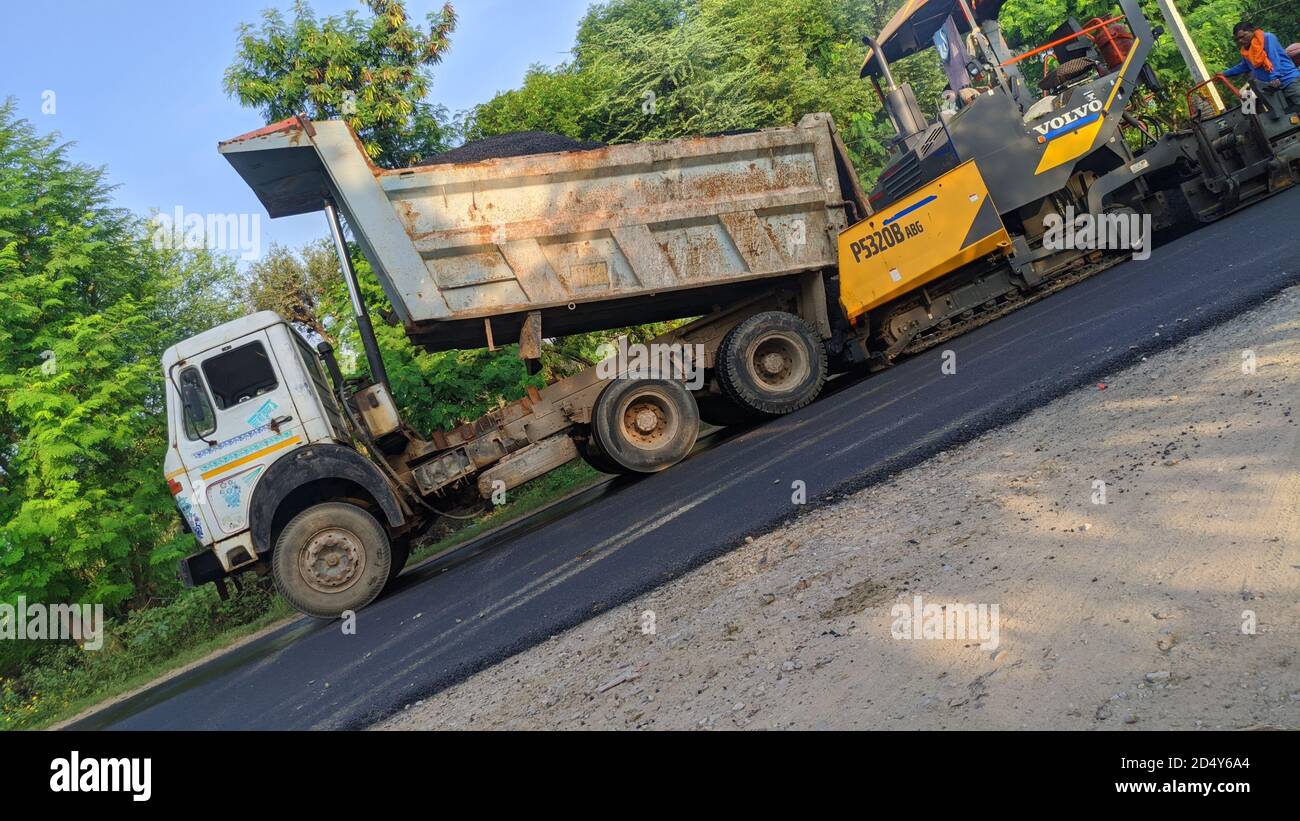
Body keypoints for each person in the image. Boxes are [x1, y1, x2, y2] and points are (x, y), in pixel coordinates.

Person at [1223, 22, 1300, 110]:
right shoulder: (1246, 51)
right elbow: (1244, 66)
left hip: (1289, 81)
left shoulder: (1267, 38)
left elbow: (1273, 57)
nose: (1240, 40)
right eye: (1237, 39)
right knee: (1290, 116)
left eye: (1243, 36)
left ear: (1252, 31)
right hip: (1274, 88)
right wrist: (1224, 74)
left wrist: (1274, 77)